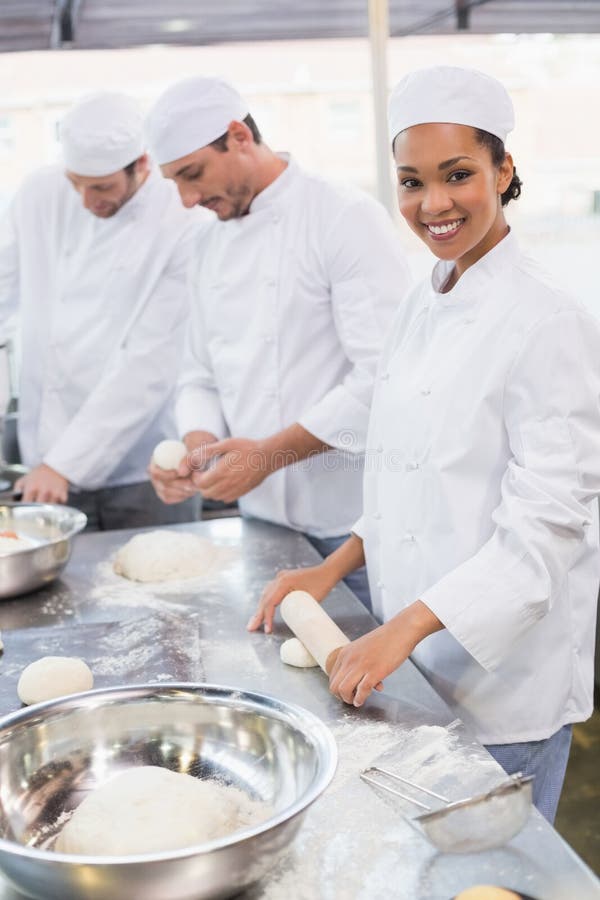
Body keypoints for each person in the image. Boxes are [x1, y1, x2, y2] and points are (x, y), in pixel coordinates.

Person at [250, 66, 600, 823]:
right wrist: (332, 569)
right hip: (406, 654)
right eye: (412, 182)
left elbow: (546, 529)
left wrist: (401, 628)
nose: (432, 203)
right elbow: (407, 482)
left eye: (458, 175)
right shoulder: (424, 295)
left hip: (503, 678)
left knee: (490, 867)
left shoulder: (549, 319)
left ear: (505, 171)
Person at [145, 77, 412, 609]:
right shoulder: (202, 244)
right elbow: (198, 373)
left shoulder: (342, 217)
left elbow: (385, 375)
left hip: (353, 533)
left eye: (193, 175)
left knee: (369, 685)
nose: (189, 199)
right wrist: (198, 452)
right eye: (175, 182)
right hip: (260, 527)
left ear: (239, 135)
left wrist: (268, 455)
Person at [0, 91, 204, 529]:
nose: (86, 200)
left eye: (102, 187)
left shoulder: (182, 220)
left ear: (142, 165)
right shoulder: (38, 193)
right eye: (75, 182)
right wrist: (54, 464)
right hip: (45, 457)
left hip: (146, 469)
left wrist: (66, 464)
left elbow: (151, 363)